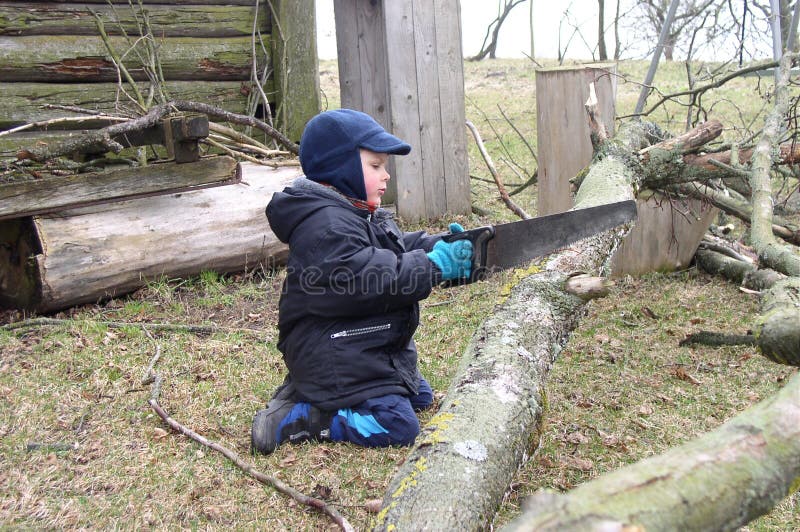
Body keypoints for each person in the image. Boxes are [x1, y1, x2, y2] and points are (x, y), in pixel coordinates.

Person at [251, 109, 473, 454]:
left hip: (353, 344)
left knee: (420, 394)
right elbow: (372, 277)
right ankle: (308, 415)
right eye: (375, 166)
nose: (386, 176)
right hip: (329, 350)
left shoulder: (356, 211)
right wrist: (431, 267)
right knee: (398, 425)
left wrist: (436, 246)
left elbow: (395, 249)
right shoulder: (325, 228)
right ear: (341, 168)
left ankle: (316, 391)